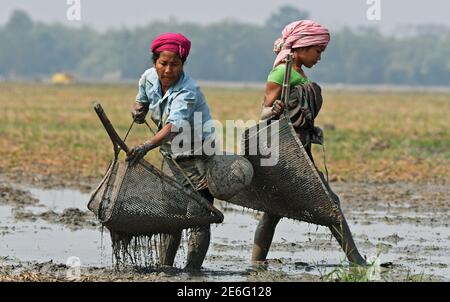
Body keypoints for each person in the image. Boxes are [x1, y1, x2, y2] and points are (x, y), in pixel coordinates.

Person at [253, 20, 367, 266]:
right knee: (329, 202)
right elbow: (263, 115)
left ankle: (256, 264)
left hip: (300, 148)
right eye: (318, 51)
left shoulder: (298, 73)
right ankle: (356, 260)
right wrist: (274, 110)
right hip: (286, 152)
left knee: (273, 211)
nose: (319, 57)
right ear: (302, 48)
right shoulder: (281, 72)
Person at [126, 32, 215, 271]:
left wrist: (146, 146)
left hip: (198, 155)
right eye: (163, 63)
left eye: (174, 64)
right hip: (170, 153)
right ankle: (165, 268)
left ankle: (192, 272)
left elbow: (173, 126)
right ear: (154, 62)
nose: (167, 70)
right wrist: (138, 109)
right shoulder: (148, 78)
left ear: (183, 64)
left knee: (199, 215)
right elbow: (141, 100)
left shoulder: (188, 91)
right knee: (171, 215)